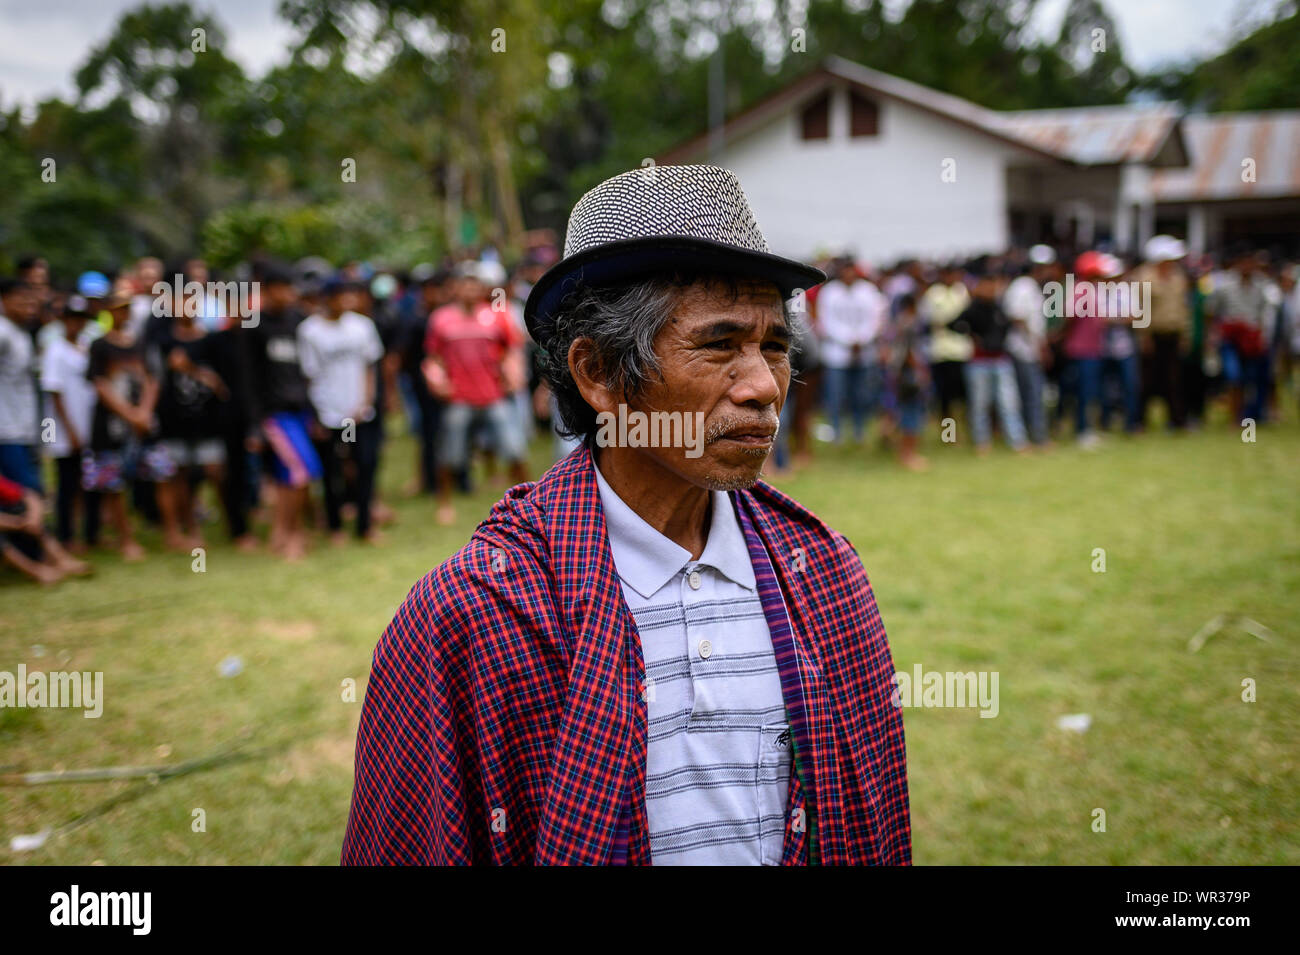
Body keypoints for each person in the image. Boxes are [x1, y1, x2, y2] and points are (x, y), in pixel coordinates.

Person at [343, 164, 910, 866]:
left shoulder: (821, 573)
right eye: (718, 344)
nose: (764, 386)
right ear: (599, 374)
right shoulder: (468, 615)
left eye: (775, 346)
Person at [423, 262, 527, 526]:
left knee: (514, 450)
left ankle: (525, 504)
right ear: (455, 288)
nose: (469, 289)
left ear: (482, 288)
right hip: (459, 398)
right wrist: (437, 380)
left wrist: (513, 373)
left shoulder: (496, 314)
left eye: (474, 284)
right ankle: (444, 504)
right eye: (464, 283)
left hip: (494, 396)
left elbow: (513, 348)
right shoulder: (441, 318)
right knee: (449, 454)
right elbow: (432, 358)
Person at [298, 277, 384, 543]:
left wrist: (367, 402)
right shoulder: (309, 331)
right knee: (331, 470)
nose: (348, 301)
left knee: (365, 465)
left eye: (351, 295)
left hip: (359, 413)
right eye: (341, 295)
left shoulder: (363, 326)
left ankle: (364, 525)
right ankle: (334, 526)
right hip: (329, 414)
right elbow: (308, 376)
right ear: (327, 298)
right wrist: (316, 414)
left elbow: (371, 366)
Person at [84, 290, 168, 561]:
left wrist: (144, 412)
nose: (124, 312)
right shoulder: (99, 345)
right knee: (114, 485)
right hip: (111, 428)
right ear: (108, 311)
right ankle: (126, 540)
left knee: (161, 475)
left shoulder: (141, 343)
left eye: (127, 307)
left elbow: (152, 379)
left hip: (144, 424)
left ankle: (171, 532)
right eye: (119, 308)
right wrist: (130, 415)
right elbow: (100, 384)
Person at [146, 282, 230, 551]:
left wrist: (190, 368)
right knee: (176, 476)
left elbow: (220, 385)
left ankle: (231, 524)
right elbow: (152, 380)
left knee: (216, 471)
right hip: (172, 421)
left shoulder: (212, 341)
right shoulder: (161, 342)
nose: (188, 306)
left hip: (206, 421)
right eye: (182, 300)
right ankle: (183, 530)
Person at [245, 263, 321, 560]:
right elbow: (248, 379)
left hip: (300, 410)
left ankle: (283, 532)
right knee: (300, 472)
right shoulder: (254, 326)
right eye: (280, 288)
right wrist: (254, 425)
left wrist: (313, 412)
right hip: (275, 415)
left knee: (289, 475)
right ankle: (291, 536)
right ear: (266, 290)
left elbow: (310, 371)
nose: (287, 294)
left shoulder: (301, 322)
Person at [40, 295, 101, 550]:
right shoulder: (55, 351)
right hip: (66, 429)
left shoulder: (87, 346)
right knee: (67, 483)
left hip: (90, 424)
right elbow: (55, 394)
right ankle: (66, 536)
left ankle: (92, 535)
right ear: (63, 320)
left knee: (92, 482)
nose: (76, 324)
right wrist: (71, 431)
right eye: (71, 319)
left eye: (80, 319)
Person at [947, 261, 1027, 455]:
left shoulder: (999, 307)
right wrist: (971, 336)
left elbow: (1006, 328)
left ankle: (1018, 441)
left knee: (1008, 403)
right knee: (979, 404)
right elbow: (953, 325)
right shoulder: (973, 308)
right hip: (979, 362)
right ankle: (982, 442)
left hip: (1001, 359)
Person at [815, 257, 887, 444]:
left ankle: (859, 432)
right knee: (836, 396)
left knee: (861, 395)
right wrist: (848, 341)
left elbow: (876, 320)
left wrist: (861, 340)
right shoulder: (830, 292)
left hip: (864, 353)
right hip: (837, 354)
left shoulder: (868, 291)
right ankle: (836, 433)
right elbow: (826, 322)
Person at [1134, 236, 1190, 430]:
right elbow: (1140, 309)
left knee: (1174, 379)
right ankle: (1139, 421)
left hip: (1173, 334)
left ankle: (1177, 420)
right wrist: (1143, 336)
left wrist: (1184, 334)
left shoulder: (1178, 277)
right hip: (1152, 335)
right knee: (1146, 380)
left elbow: (1183, 308)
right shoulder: (1144, 277)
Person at [1003, 246, 1054, 447]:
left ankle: (1033, 434)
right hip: (1023, 349)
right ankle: (1037, 436)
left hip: (1029, 348)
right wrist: (1037, 344)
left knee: (1032, 393)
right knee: (1032, 393)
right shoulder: (1022, 287)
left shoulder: (1031, 287)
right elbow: (1018, 318)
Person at [920, 262, 972, 429]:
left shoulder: (962, 291)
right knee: (945, 397)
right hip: (940, 352)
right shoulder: (934, 294)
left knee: (962, 396)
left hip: (961, 351)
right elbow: (932, 320)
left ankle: (961, 430)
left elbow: (966, 319)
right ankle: (948, 434)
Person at [885, 292, 930, 470]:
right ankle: (908, 454)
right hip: (908, 374)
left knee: (904, 412)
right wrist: (921, 371)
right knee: (912, 415)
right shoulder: (910, 325)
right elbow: (910, 353)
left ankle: (899, 445)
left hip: (898, 374)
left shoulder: (897, 324)